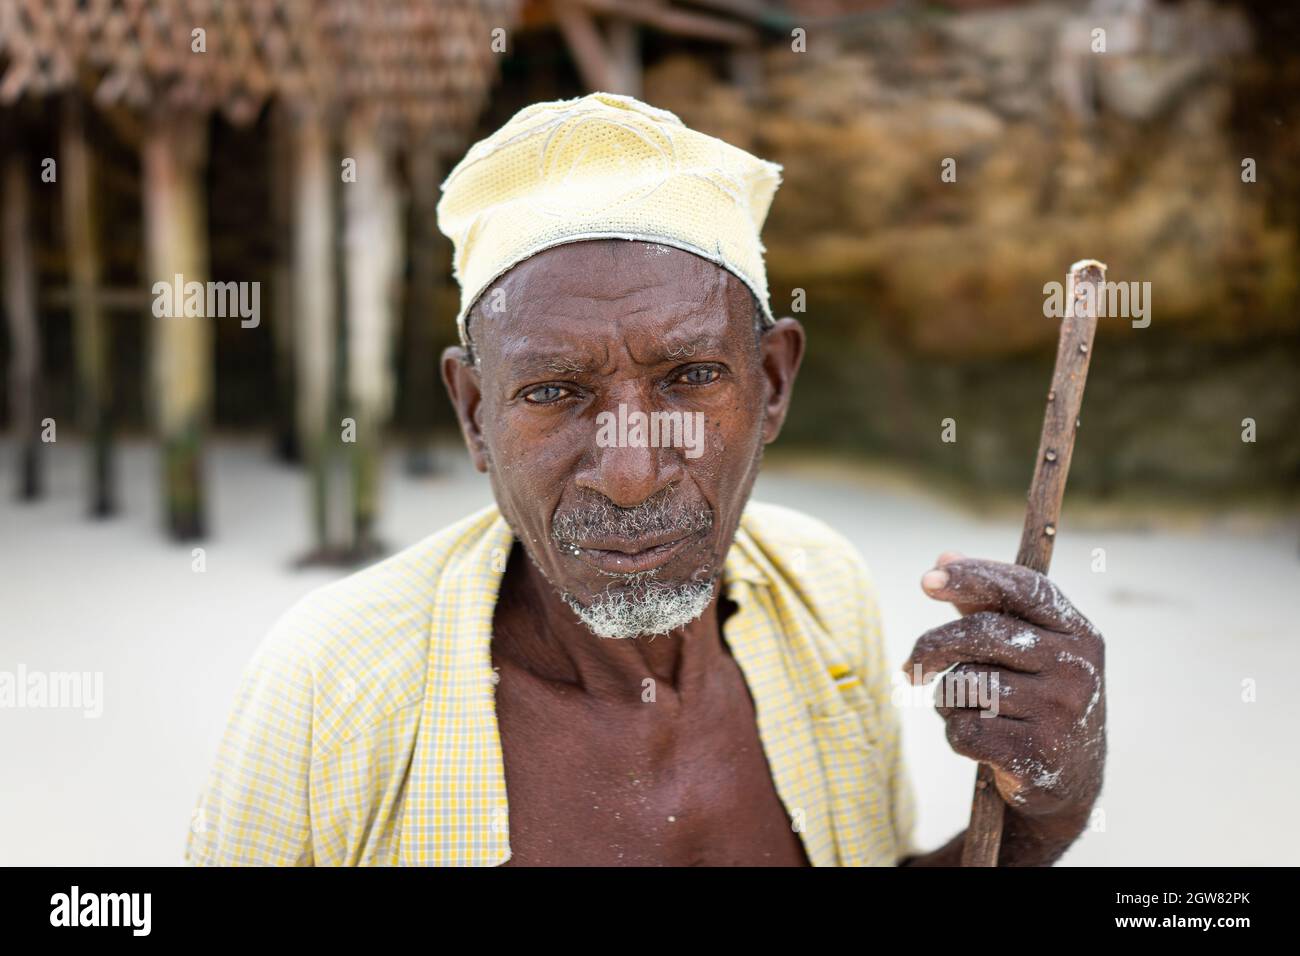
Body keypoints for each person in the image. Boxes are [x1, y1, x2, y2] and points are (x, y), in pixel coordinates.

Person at [186, 92, 1105, 866]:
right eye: (553, 392)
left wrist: (1041, 812)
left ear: (774, 383)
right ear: (474, 412)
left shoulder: (821, 593)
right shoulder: (337, 682)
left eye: (691, 378)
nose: (629, 473)